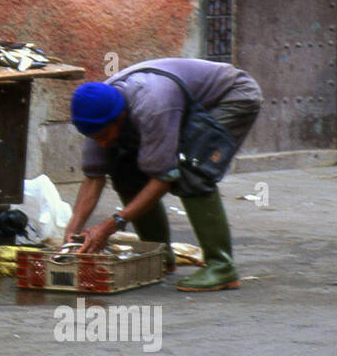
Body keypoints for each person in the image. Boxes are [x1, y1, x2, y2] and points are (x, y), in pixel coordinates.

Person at [63, 58, 262, 292]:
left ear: (120, 117)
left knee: (190, 169)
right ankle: (159, 257)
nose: (102, 142)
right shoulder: (97, 116)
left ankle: (221, 266)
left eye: (105, 135)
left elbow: (165, 178)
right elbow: (94, 177)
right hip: (180, 105)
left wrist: (111, 224)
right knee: (123, 170)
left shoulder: (153, 105)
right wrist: (71, 232)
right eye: (96, 138)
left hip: (231, 96)